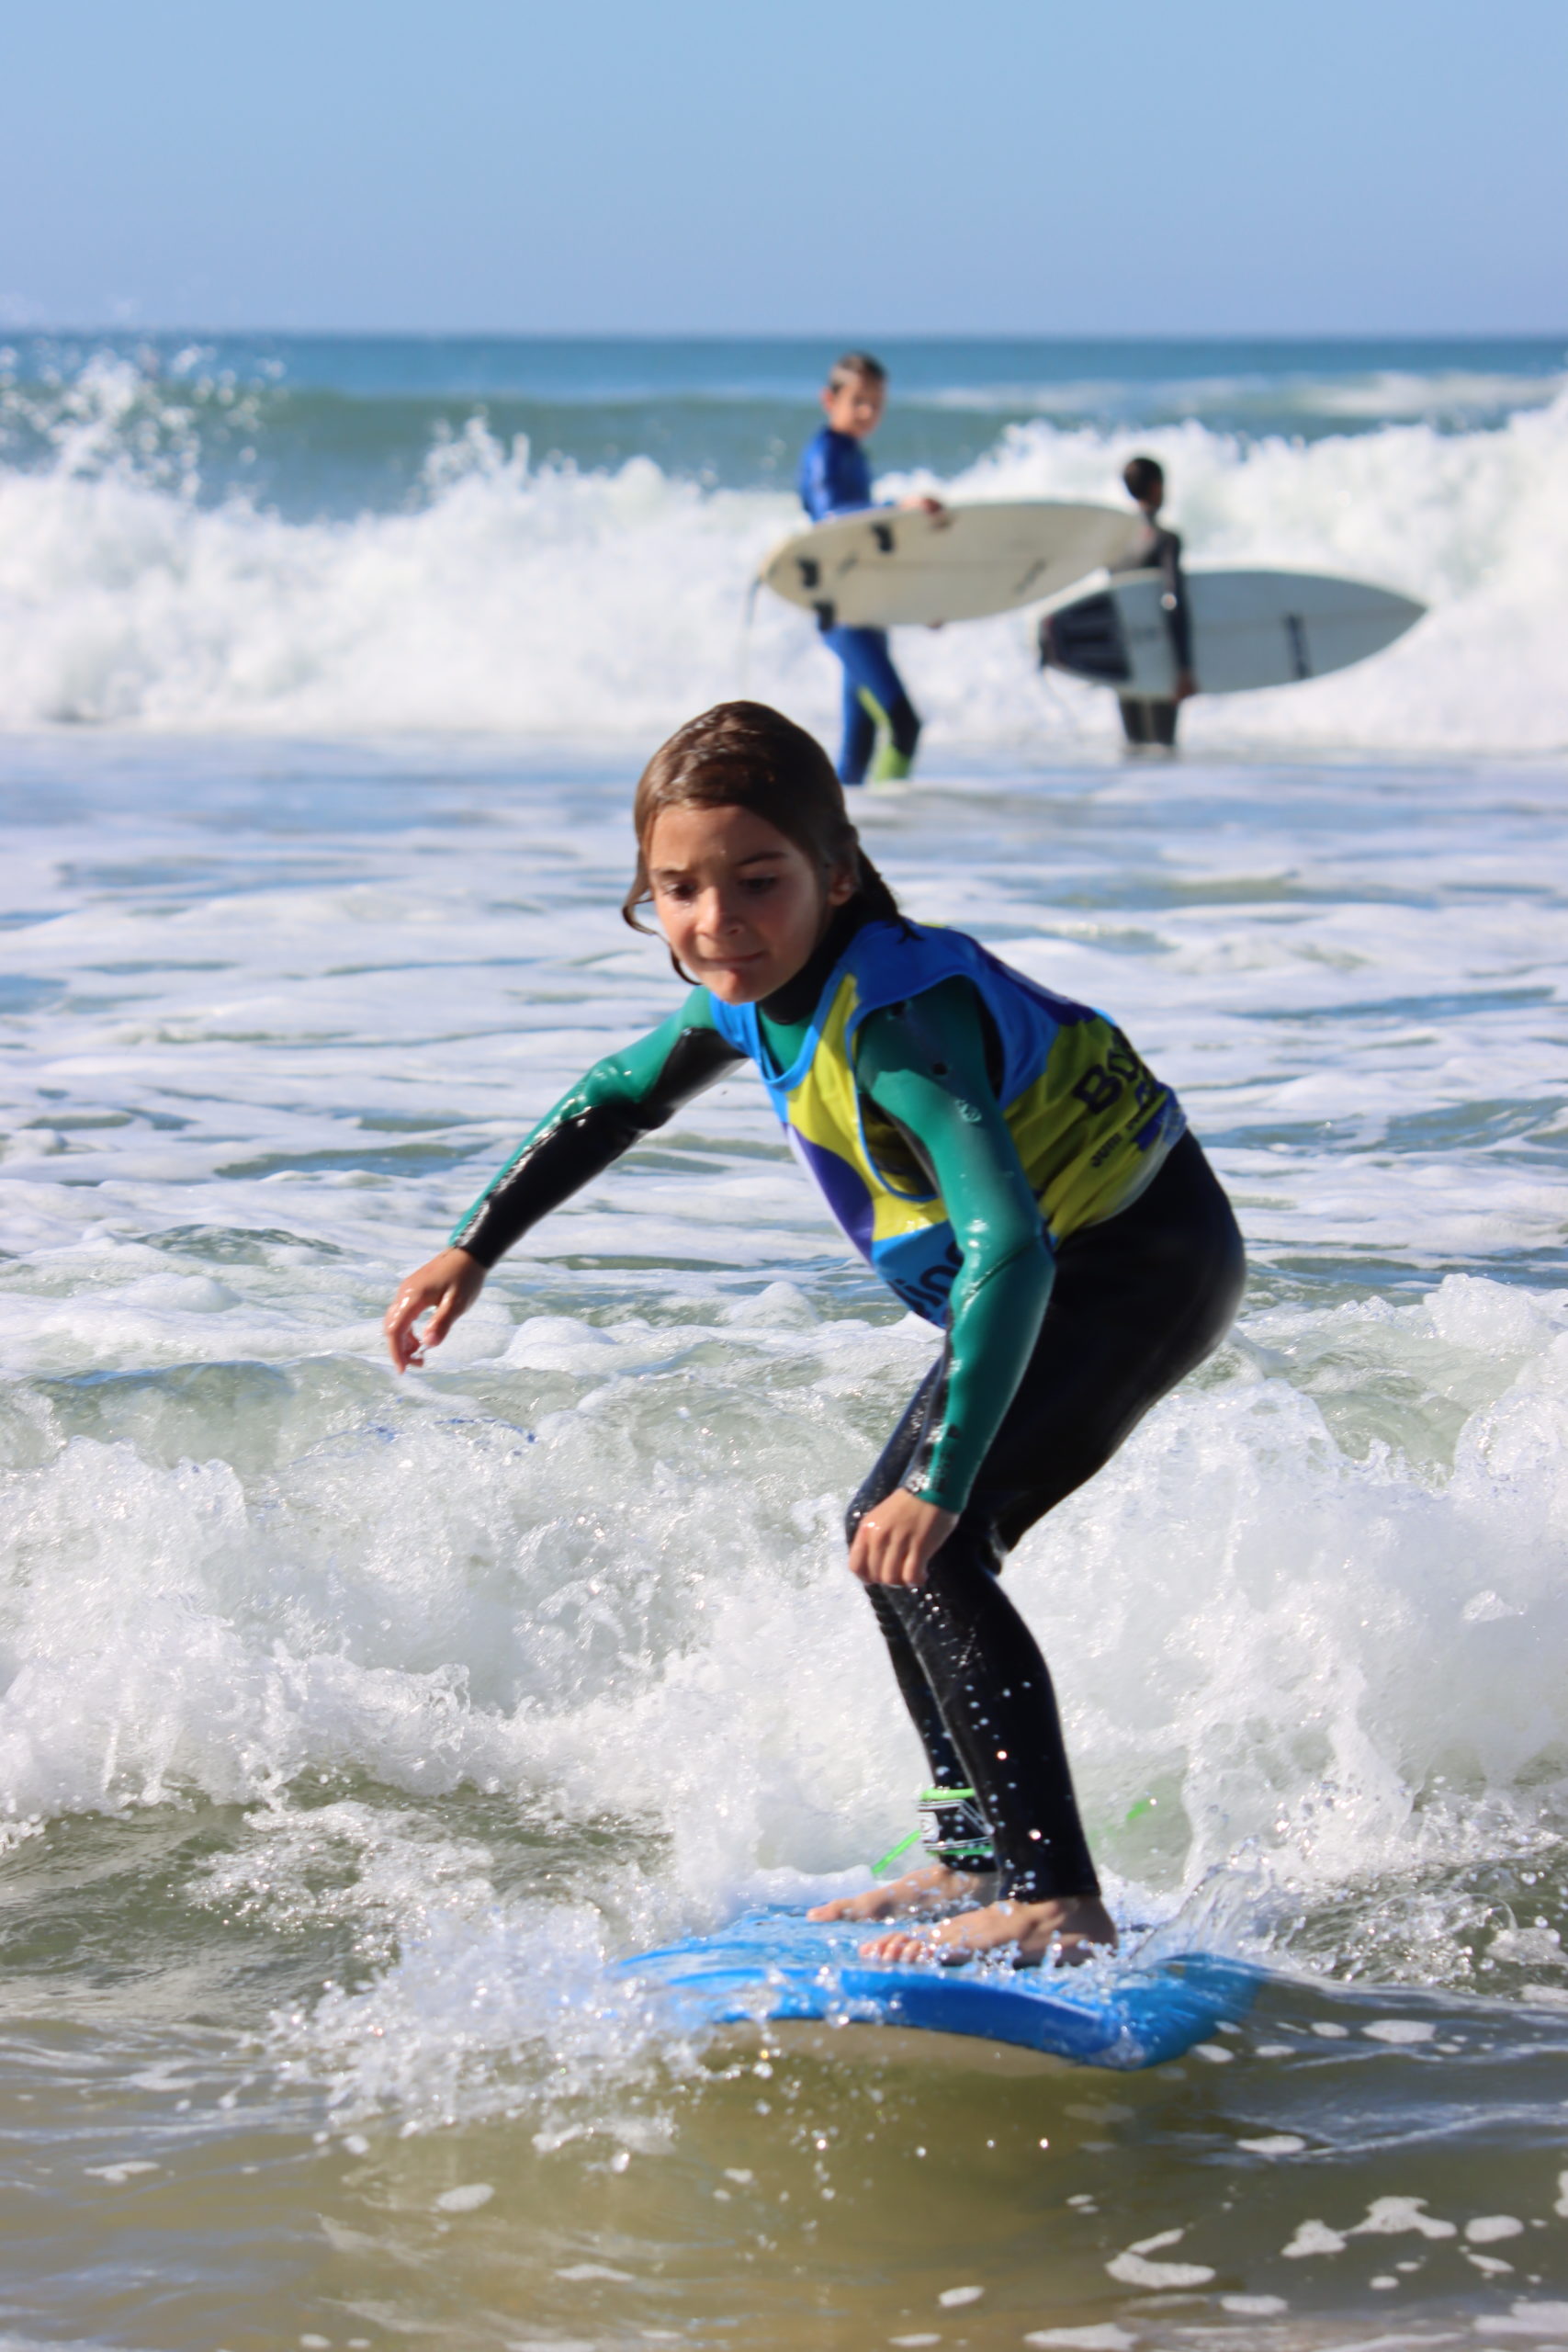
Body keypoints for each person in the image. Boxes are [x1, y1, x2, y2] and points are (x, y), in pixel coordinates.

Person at [382, 701, 1245, 1968]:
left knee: (935, 1543)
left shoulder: (893, 1024)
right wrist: (473, 1243)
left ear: (834, 874)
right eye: (675, 890)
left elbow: (1009, 1245)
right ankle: (973, 1852)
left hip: (1131, 1259)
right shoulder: (752, 992)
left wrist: (945, 1479)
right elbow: (613, 1097)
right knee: (881, 1538)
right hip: (1045, 1274)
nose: (715, 921)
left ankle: (1054, 1895)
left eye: (756, 880)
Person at [796, 351, 941, 788]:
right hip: (843, 611)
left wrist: (926, 601)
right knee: (904, 723)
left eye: (876, 404)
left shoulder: (854, 455)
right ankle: (884, 824)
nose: (867, 412)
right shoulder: (825, 453)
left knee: (860, 740)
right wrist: (898, 507)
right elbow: (833, 517)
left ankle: (849, 836)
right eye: (858, 400)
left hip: (866, 605)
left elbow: (872, 549)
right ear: (829, 399)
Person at [1112, 455, 1197, 751]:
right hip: (1159, 654)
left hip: (1123, 657)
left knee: (1134, 748)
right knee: (1163, 746)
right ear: (1157, 487)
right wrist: (1184, 666)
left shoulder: (1115, 544)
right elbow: (1174, 601)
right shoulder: (1165, 540)